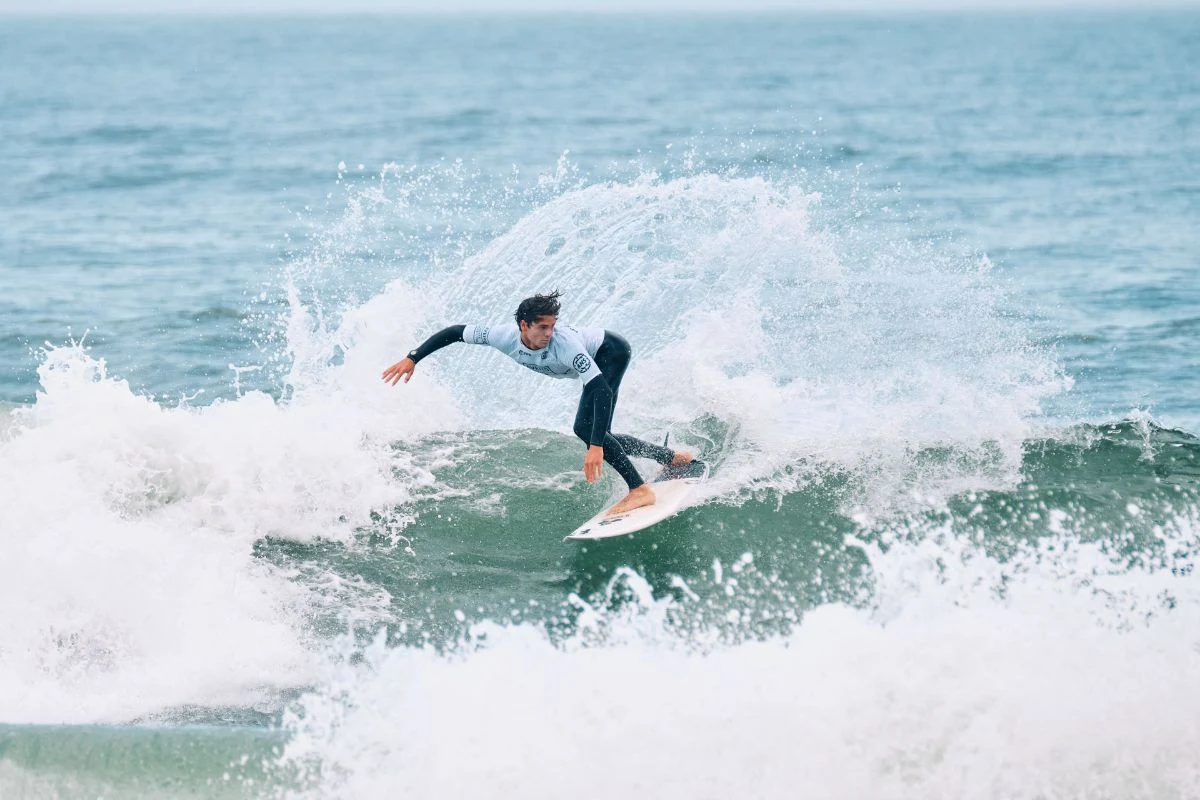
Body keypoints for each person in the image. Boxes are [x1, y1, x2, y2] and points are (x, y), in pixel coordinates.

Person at [381, 290, 697, 515]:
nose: (548, 333)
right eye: (542, 327)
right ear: (524, 325)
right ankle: (672, 458)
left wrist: (596, 447)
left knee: (587, 430)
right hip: (603, 353)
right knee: (597, 432)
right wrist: (413, 358)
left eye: (552, 326)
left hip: (610, 352)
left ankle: (639, 490)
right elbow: (455, 332)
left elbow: (600, 389)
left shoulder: (565, 345)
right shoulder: (502, 336)